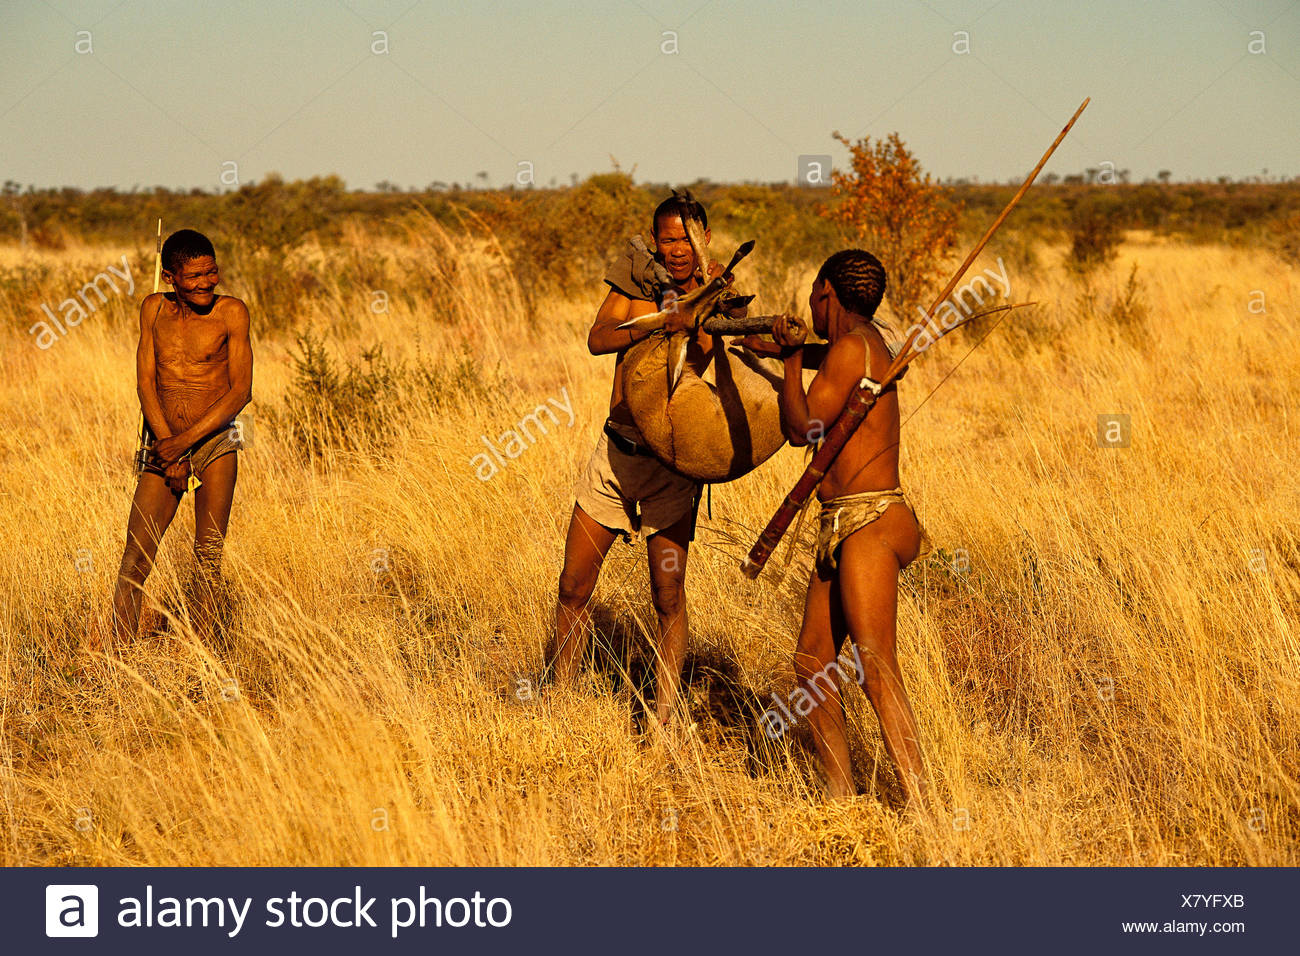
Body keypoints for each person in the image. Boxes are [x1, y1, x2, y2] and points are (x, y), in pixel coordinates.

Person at [547, 194, 726, 730]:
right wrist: (657, 321)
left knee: (667, 596)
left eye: (687, 239)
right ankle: (559, 704)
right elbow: (598, 340)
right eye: (668, 239)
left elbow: (734, 356)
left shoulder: (717, 296)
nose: (678, 250)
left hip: (671, 466)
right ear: (654, 242)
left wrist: (705, 308)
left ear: (706, 240)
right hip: (615, 457)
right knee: (573, 586)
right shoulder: (633, 286)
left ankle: (663, 721)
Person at [770, 249, 927, 804]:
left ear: (826, 293)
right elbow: (832, 365)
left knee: (875, 667)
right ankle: (842, 798)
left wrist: (790, 361)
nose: (810, 303)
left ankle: (926, 809)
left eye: (813, 294)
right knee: (813, 659)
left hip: (869, 522)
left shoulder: (848, 349)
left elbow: (802, 428)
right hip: (846, 522)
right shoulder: (865, 344)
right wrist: (786, 350)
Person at [110, 229, 253, 647]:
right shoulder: (152, 309)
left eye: (212, 272)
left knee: (207, 558)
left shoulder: (232, 313)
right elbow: (146, 383)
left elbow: (240, 391)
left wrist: (185, 442)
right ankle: (118, 660)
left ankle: (203, 662)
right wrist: (168, 447)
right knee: (134, 559)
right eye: (195, 276)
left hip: (214, 444)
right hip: (162, 442)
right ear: (170, 277)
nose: (208, 282)